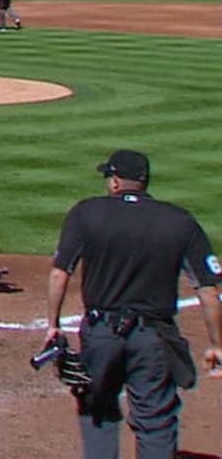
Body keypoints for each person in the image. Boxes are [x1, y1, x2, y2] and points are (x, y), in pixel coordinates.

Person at [45, 150, 222, 458]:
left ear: (114, 182)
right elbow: (208, 289)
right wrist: (217, 343)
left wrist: (53, 325)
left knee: (97, 410)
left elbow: (60, 273)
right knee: (155, 420)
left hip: (100, 333)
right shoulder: (179, 220)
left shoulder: (86, 212)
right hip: (154, 338)